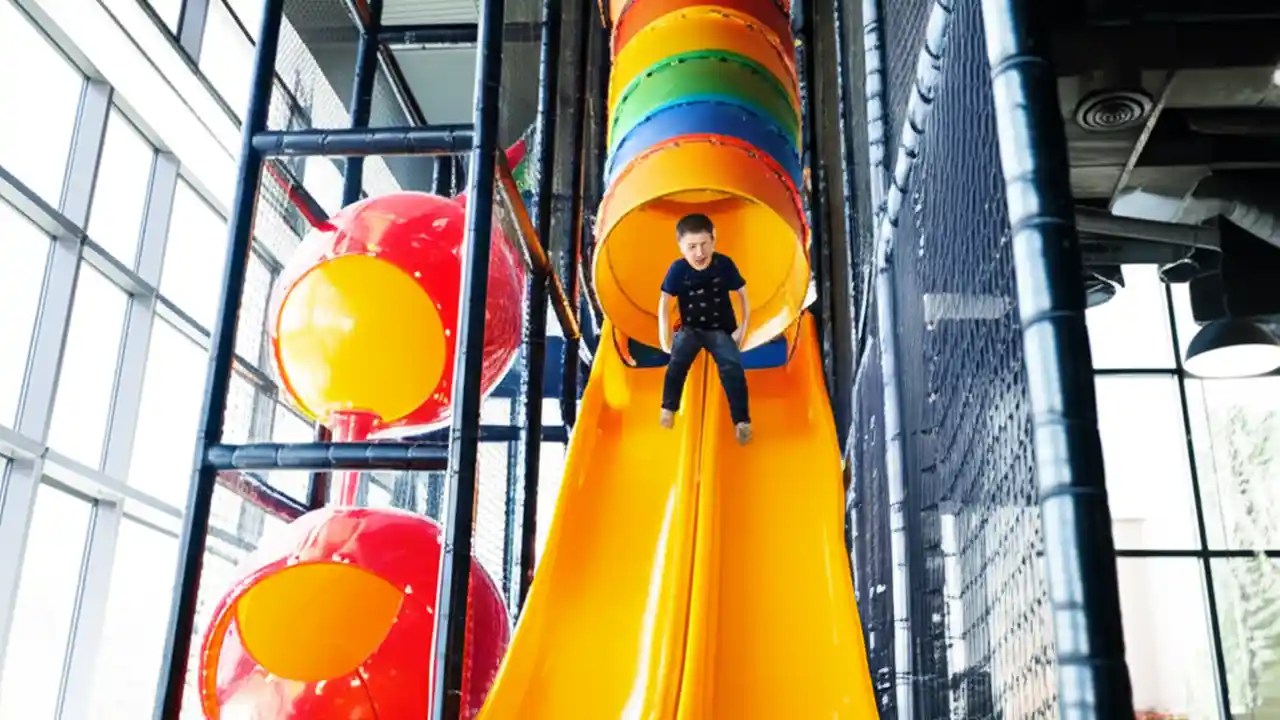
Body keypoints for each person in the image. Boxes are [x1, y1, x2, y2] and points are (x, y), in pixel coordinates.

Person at [657, 213, 753, 445]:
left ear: (713, 240)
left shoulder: (724, 264)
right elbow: (664, 301)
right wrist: (664, 336)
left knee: (732, 367)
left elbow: (743, 295)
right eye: (691, 247)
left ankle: (742, 421)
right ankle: (668, 408)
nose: (699, 253)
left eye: (704, 244)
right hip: (691, 328)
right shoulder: (678, 269)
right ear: (681, 247)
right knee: (677, 363)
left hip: (720, 329)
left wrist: (743, 328)